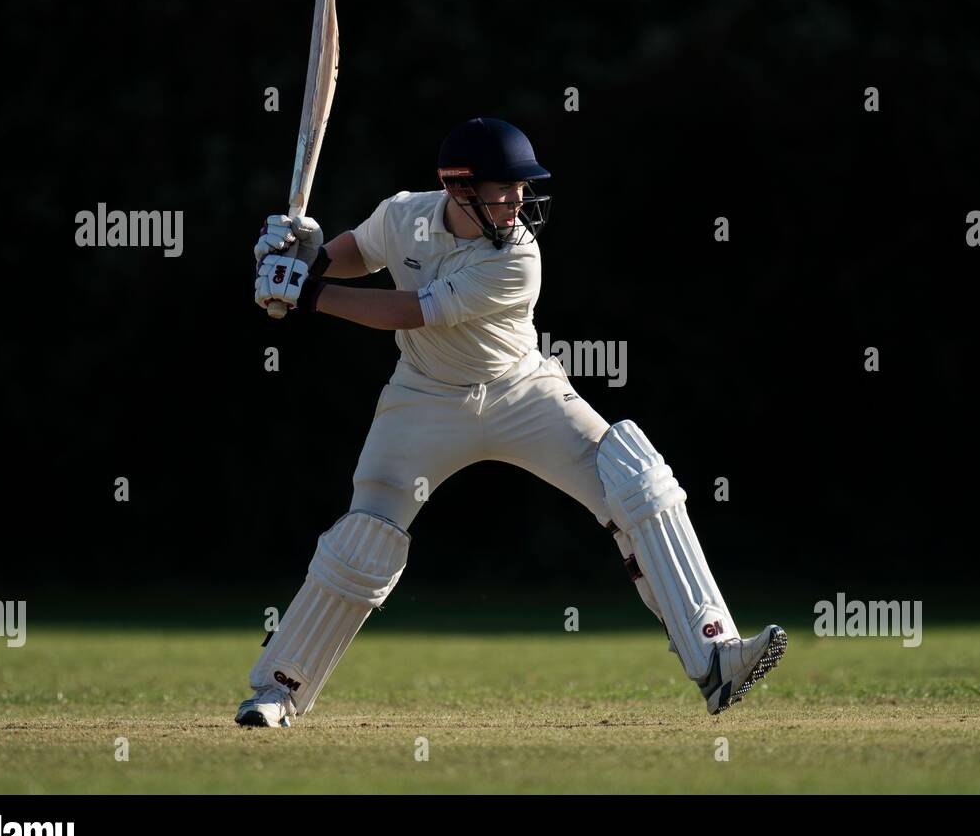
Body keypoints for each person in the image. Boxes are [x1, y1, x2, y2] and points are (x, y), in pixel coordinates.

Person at [243, 116, 784, 726]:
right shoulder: (402, 216)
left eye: (522, 188)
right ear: (459, 188)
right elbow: (358, 255)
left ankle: (715, 653)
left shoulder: (519, 257)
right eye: (506, 189)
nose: (519, 201)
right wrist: (307, 257)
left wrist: (306, 291)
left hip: (522, 392)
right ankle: (278, 690)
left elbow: (411, 310)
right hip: (422, 399)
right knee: (364, 533)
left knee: (636, 481)